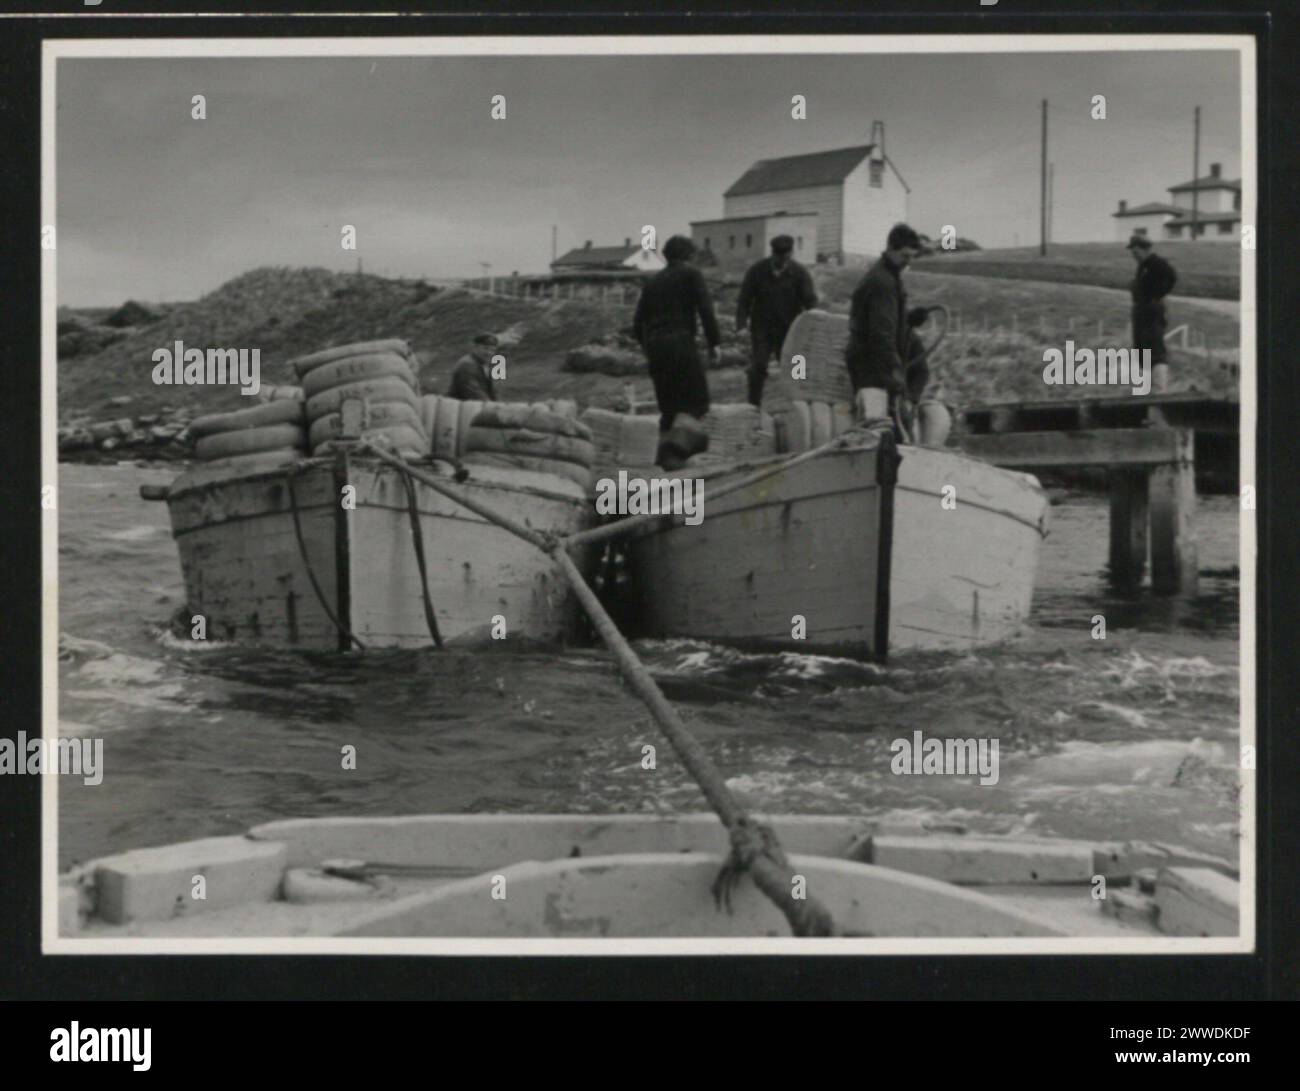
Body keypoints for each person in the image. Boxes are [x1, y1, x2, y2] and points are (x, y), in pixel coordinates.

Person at [632, 235, 721, 467]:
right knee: (697, 403)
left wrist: (649, 348)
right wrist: (714, 343)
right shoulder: (692, 275)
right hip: (681, 343)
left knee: (669, 408)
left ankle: (664, 464)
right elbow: (706, 310)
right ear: (689, 256)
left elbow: (637, 323)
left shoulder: (653, 282)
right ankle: (679, 459)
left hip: (657, 349)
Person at [844, 223, 924, 426]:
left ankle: (904, 422)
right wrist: (895, 375)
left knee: (920, 371)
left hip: (875, 356)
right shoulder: (882, 283)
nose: (909, 262)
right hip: (870, 361)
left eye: (912, 257)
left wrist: (909, 318)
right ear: (891, 249)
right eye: (905, 256)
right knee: (880, 421)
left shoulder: (890, 276)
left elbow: (888, 318)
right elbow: (881, 334)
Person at [735, 234, 818, 407]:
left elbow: (810, 302)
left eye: (786, 257)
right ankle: (754, 406)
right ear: (772, 253)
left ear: (791, 254)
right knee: (758, 366)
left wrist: (813, 326)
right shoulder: (757, 271)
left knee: (797, 368)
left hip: (792, 330)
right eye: (779, 257)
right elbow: (744, 301)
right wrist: (741, 325)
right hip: (762, 329)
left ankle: (800, 405)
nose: (782, 261)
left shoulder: (800, 273)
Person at [1126, 234, 1177, 392]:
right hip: (1141, 311)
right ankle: (1147, 388)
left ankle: (1159, 389)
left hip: (1151, 311)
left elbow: (1172, 276)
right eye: (1132, 252)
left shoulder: (1155, 262)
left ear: (1146, 249)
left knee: (1154, 348)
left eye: (1136, 251)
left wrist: (1158, 295)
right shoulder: (1143, 266)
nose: (1134, 255)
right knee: (1141, 349)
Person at [446, 333, 499, 401]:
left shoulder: (483, 364)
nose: (489, 353)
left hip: (473, 406)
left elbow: (492, 392)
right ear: (475, 347)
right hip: (459, 408)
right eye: (485, 348)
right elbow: (475, 394)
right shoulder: (467, 365)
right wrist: (495, 408)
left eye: (492, 350)